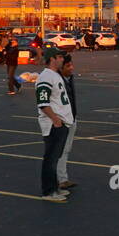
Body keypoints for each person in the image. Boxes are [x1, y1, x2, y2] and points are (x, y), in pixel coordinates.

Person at [35, 48, 72, 202]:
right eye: (59, 57)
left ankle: (54, 188)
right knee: (50, 159)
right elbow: (42, 102)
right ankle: (48, 191)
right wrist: (55, 120)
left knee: (55, 158)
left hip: (61, 122)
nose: (62, 59)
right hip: (54, 124)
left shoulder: (54, 75)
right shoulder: (45, 77)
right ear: (52, 59)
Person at [55, 53, 79, 192]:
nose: (71, 68)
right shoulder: (57, 80)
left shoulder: (69, 78)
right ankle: (58, 180)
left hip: (71, 118)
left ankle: (63, 179)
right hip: (62, 120)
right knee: (60, 151)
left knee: (66, 149)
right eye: (68, 66)